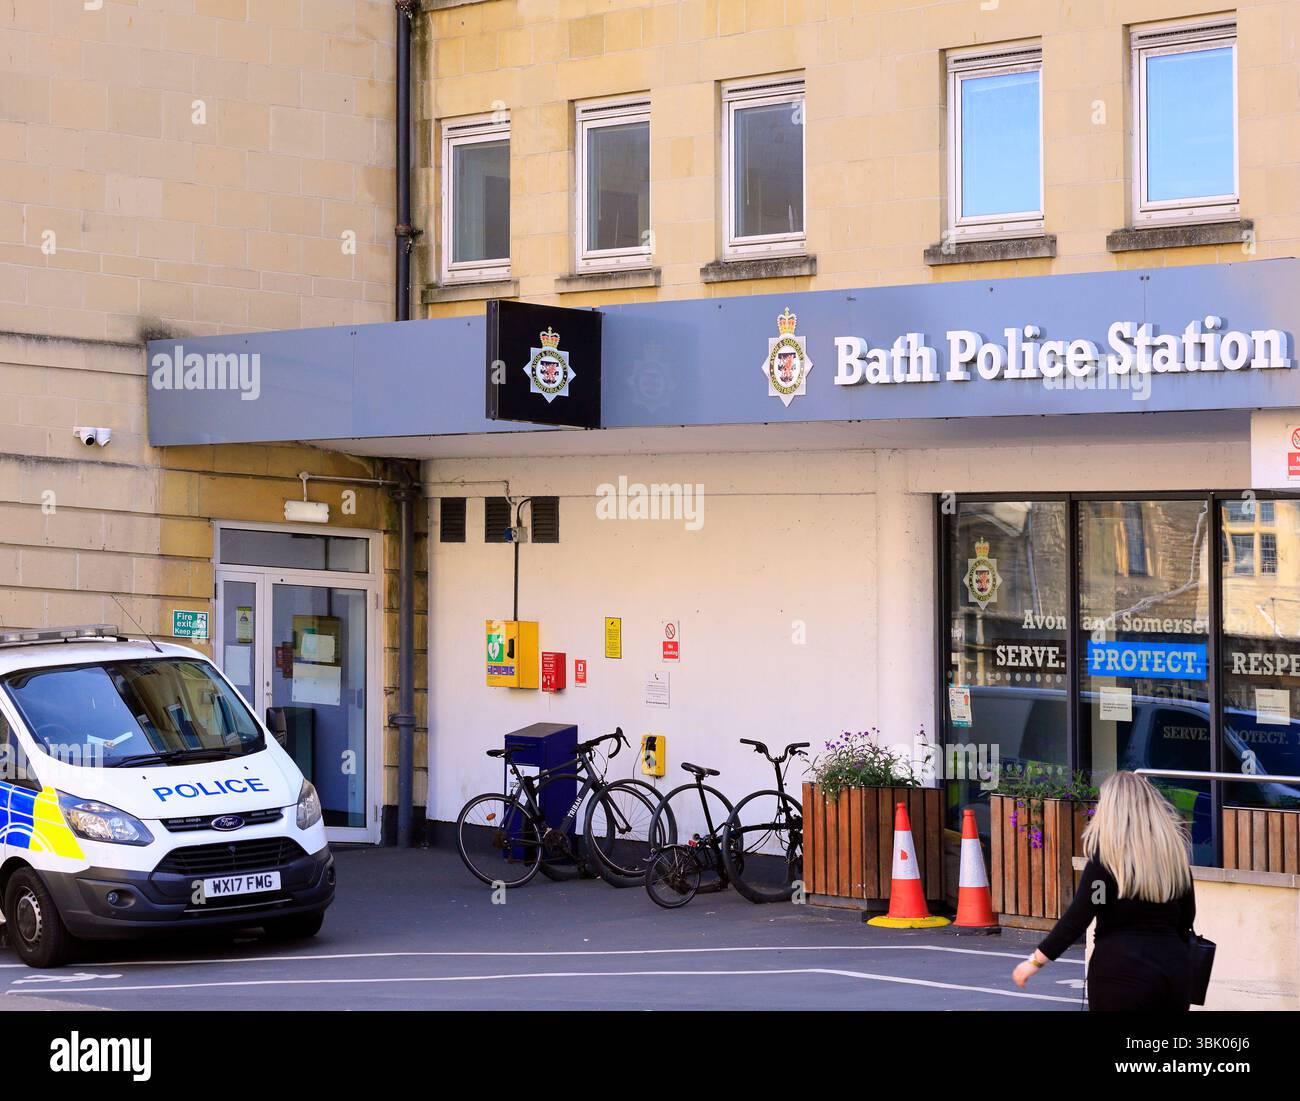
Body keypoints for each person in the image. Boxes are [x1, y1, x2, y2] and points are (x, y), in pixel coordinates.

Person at [1011, 770, 1195, 1010]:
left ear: (1111, 810)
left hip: (1120, 971)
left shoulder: (1106, 862)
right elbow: (1187, 917)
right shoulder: (1175, 858)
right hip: (1174, 970)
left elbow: (1078, 918)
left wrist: (1035, 962)